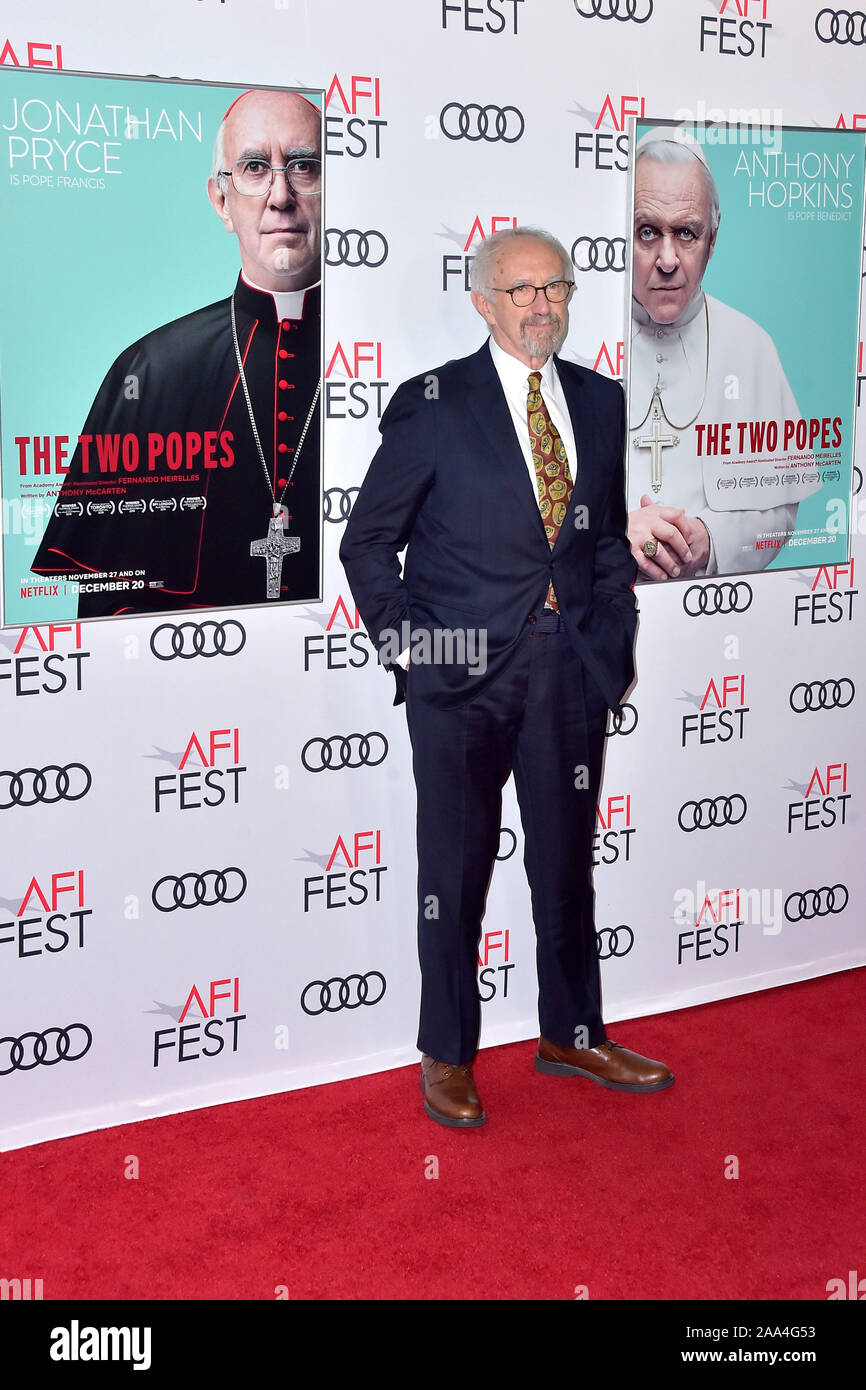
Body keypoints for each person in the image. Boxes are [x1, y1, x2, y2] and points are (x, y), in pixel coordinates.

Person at [341, 226, 673, 1128]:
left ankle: (570, 1030)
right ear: (482, 303)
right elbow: (368, 541)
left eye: (554, 289)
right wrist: (415, 649)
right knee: (453, 869)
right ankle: (446, 1051)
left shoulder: (602, 402)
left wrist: (608, 640)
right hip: (460, 681)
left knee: (566, 865)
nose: (539, 306)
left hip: (568, 674)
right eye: (519, 290)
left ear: (570, 298)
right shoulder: (435, 402)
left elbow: (606, 542)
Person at [31, 88, 322, 616]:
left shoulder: (389, 364)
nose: (281, 196)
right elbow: (106, 607)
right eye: (255, 168)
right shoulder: (150, 369)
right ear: (221, 201)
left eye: (304, 166)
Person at [628, 130, 819, 582]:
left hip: (712, 622)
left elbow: (780, 510)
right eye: (647, 231)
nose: (668, 259)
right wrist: (611, 534)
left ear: (712, 241)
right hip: (593, 617)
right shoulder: (571, 345)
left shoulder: (751, 345)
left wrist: (711, 541)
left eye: (687, 233)